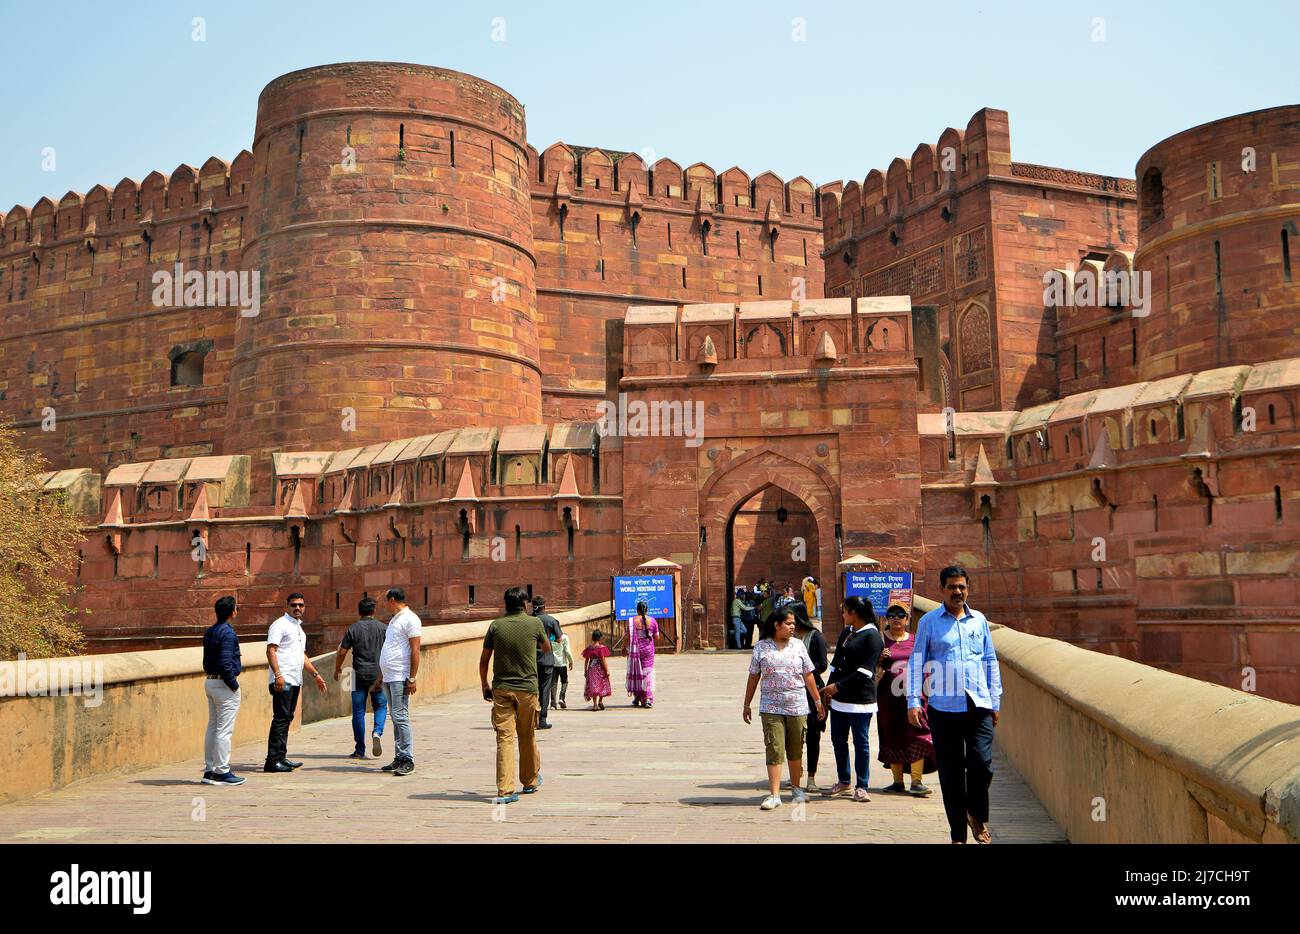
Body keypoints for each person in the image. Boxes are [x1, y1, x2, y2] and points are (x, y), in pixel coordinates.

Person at [908, 565, 1002, 844]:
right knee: (950, 775)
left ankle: (975, 813)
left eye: (962, 586)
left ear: (968, 588)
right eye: (952, 587)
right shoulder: (930, 622)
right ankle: (958, 835)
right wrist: (913, 701)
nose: (957, 591)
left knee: (982, 765)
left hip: (978, 705)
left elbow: (990, 661)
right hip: (943, 708)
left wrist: (995, 700)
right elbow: (916, 662)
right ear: (942, 590)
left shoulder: (979, 621)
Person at [742, 607, 825, 810]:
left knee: (796, 748)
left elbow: (808, 675)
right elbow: (754, 676)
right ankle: (774, 794)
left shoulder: (798, 646)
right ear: (776, 625)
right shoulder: (761, 647)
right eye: (788, 624)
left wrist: (817, 701)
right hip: (771, 706)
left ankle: (797, 788)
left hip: (797, 706)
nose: (792, 627)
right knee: (775, 748)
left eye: (793, 624)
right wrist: (747, 703)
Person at [480, 586, 552, 804]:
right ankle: (529, 781)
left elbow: (484, 660)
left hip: (501, 688)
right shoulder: (534, 623)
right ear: (524, 605)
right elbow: (547, 648)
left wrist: (484, 684)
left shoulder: (496, 626)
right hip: (527, 689)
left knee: (504, 738)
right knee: (527, 735)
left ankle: (505, 789)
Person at [820, 596, 884, 802]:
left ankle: (862, 785)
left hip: (861, 699)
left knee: (861, 742)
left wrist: (837, 686)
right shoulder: (847, 632)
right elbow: (836, 664)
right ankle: (844, 780)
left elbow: (865, 672)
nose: (842, 614)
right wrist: (827, 691)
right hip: (840, 699)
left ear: (853, 612)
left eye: (844, 611)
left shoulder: (873, 636)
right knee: (838, 740)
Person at [875, 604, 934, 796]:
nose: (896, 618)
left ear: (907, 619)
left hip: (914, 696)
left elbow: (927, 664)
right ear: (886, 619)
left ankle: (916, 781)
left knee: (918, 731)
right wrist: (879, 660)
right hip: (888, 697)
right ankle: (897, 781)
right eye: (891, 615)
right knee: (892, 733)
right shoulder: (880, 641)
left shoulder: (916, 640)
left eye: (900, 615)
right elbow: (873, 671)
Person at [265, 593, 327, 773]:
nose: (297, 608)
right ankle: (272, 760)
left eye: (301, 605)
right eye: (294, 605)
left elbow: (301, 656)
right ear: (287, 606)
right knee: (280, 718)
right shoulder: (280, 625)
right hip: (282, 679)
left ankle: (281, 757)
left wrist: (316, 675)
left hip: (294, 679)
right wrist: (278, 675)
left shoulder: (299, 629)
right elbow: (271, 650)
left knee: (287, 718)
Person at [334, 596, 389, 760]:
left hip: (358, 675)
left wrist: (337, 668)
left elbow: (342, 651)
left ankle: (359, 749)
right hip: (378, 674)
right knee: (380, 706)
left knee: (358, 712)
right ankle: (377, 732)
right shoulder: (383, 628)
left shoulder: (353, 628)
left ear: (359, 612)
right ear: (374, 611)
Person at [378, 588, 422, 776]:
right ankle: (399, 756)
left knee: (400, 716)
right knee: (395, 717)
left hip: (399, 675)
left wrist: (412, 677)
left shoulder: (410, 619)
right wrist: (381, 675)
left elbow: (416, 649)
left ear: (393, 600)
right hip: (389, 676)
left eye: (386, 601)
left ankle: (407, 759)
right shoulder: (395, 619)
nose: (385, 605)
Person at [201, 595, 244, 786]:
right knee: (224, 730)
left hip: (210, 681)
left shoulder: (210, 631)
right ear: (232, 612)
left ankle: (210, 770)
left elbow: (207, 661)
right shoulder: (227, 633)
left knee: (213, 727)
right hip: (223, 685)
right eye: (236, 609)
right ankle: (222, 771)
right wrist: (233, 684)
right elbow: (226, 662)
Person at [792, 606, 828, 792]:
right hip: (792, 691)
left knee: (813, 734)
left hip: (812, 690)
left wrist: (804, 672)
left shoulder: (815, 636)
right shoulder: (786, 638)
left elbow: (823, 663)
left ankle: (811, 777)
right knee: (794, 735)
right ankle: (796, 771)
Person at [613, 601, 659, 707]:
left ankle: (637, 697)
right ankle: (647, 698)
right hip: (648, 650)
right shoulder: (652, 621)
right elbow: (657, 637)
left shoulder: (632, 621)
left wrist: (623, 646)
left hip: (635, 650)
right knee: (647, 673)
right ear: (647, 610)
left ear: (637, 610)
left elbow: (628, 635)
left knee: (636, 672)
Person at [532, 596, 563, 729]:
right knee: (544, 690)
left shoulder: (529, 620)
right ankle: (542, 720)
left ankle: (531, 718)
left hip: (531, 659)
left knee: (532, 689)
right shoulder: (550, 620)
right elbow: (559, 639)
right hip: (546, 658)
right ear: (544, 606)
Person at [582, 630, 612, 709]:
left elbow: (586, 660)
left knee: (593, 686)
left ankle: (595, 704)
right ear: (600, 638)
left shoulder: (589, 648)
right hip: (600, 669)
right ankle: (600, 702)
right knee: (603, 684)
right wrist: (607, 670)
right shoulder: (601, 648)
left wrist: (585, 670)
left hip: (592, 669)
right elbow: (603, 660)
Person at [550, 621, 574, 711]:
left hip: (552, 663)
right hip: (562, 664)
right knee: (564, 681)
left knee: (553, 683)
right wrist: (571, 661)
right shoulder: (564, 637)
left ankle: (553, 704)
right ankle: (561, 698)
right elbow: (567, 651)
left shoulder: (550, 637)